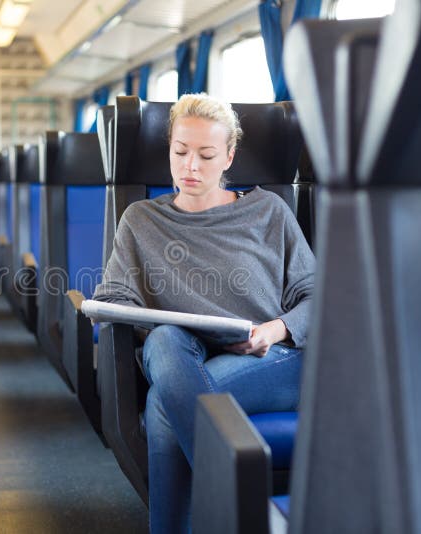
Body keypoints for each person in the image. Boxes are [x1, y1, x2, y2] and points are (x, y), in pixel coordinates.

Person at [92, 93, 315, 533]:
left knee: (162, 405)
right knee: (163, 341)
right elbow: (116, 295)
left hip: (270, 357)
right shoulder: (140, 220)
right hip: (181, 353)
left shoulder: (269, 211)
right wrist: (115, 308)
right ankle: (237, 510)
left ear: (229, 156)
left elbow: (317, 295)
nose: (190, 167)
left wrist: (275, 329)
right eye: (180, 152)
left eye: (206, 155)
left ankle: (228, 506)